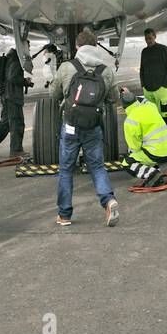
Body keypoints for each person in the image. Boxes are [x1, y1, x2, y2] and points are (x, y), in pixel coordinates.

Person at [48, 29, 120, 227]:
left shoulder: (66, 67)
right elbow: (114, 98)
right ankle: (108, 200)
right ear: (96, 46)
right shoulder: (105, 71)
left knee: (66, 170)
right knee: (97, 167)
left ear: (77, 47)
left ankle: (64, 215)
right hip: (93, 127)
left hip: (70, 126)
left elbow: (53, 95)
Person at [119, 86, 167, 185]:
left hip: (158, 154)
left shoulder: (130, 121)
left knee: (128, 162)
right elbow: (144, 100)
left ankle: (153, 175)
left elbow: (135, 147)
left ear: (124, 106)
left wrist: (132, 155)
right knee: (147, 150)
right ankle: (153, 170)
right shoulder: (150, 106)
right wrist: (129, 93)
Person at [0, 47, 29, 157]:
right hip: (12, 96)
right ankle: (16, 150)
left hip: (6, 94)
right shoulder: (16, 60)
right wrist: (24, 81)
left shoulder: (10, 58)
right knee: (17, 123)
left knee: (5, 123)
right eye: (27, 47)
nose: (28, 50)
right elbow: (12, 77)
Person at [138, 28, 167, 115]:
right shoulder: (144, 51)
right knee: (151, 115)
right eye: (146, 38)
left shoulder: (163, 49)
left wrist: (164, 85)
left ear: (155, 37)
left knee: (164, 116)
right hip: (148, 90)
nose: (148, 41)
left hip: (161, 90)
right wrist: (143, 85)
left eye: (150, 38)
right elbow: (142, 69)